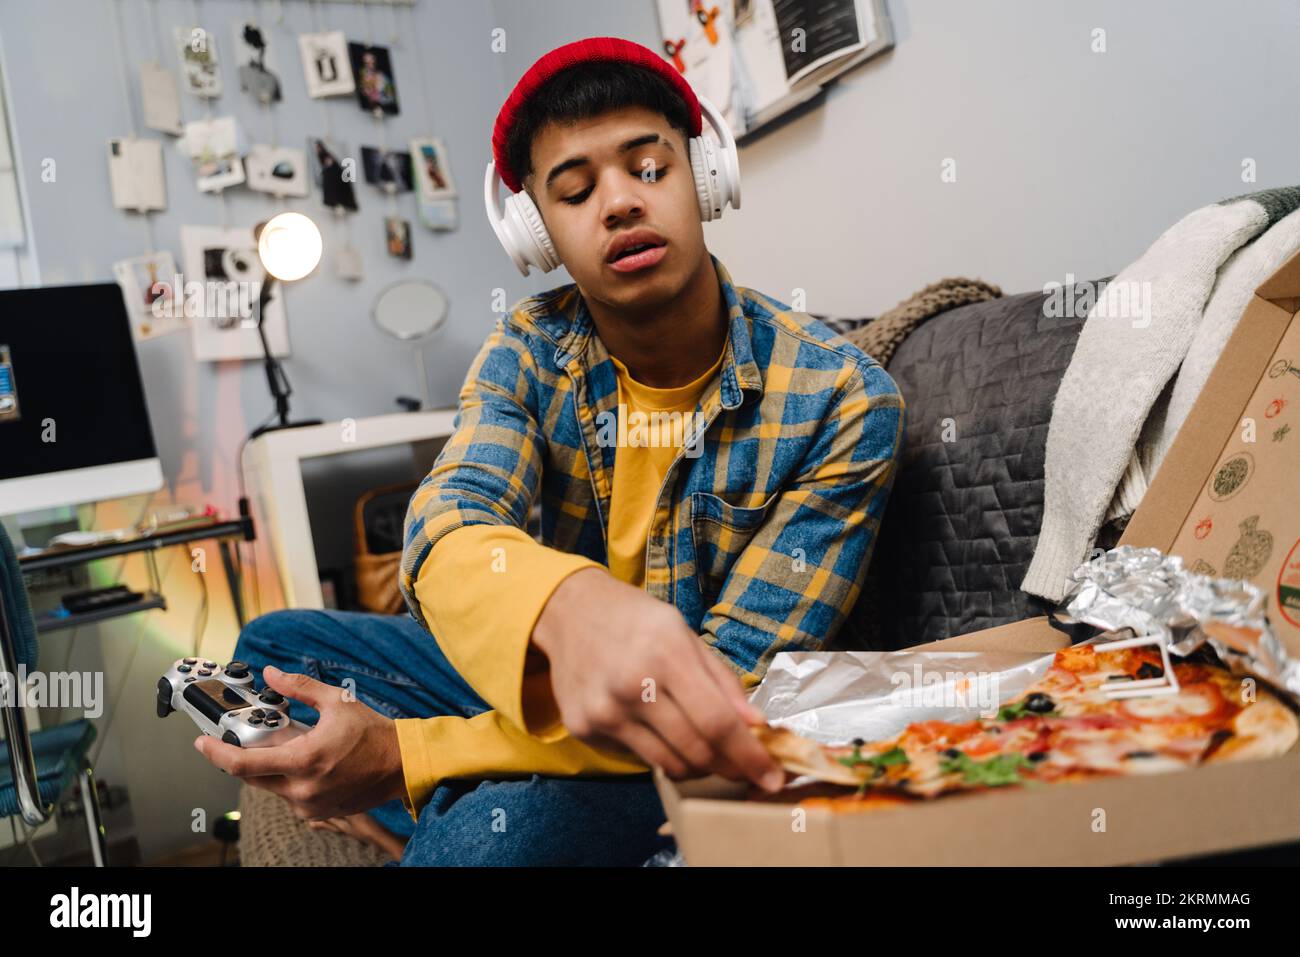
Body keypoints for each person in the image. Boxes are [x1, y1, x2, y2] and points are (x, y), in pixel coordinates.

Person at [196, 36, 905, 866]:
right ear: (537, 233)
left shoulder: (845, 402)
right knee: (269, 649)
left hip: (676, 736)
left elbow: (728, 693)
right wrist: (568, 607)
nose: (618, 204)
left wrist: (412, 755)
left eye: (649, 169)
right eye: (574, 191)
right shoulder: (531, 346)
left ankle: (431, 800)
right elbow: (445, 524)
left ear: (706, 176)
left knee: (489, 841)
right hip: (539, 682)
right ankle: (467, 784)